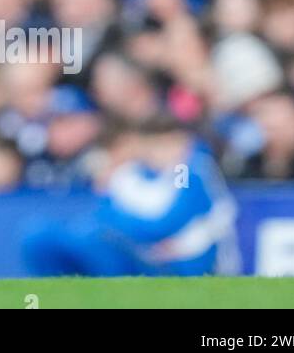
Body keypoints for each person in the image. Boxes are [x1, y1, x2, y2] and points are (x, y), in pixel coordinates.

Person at [20, 118, 239, 277]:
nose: (160, 152)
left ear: (184, 143)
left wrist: (116, 230)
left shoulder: (193, 170)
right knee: (39, 233)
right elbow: (103, 212)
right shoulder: (133, 173)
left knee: (94, 239)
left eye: (169, 144)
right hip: (141, 256)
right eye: (155, 145)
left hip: (183, 266)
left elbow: (165, 225)